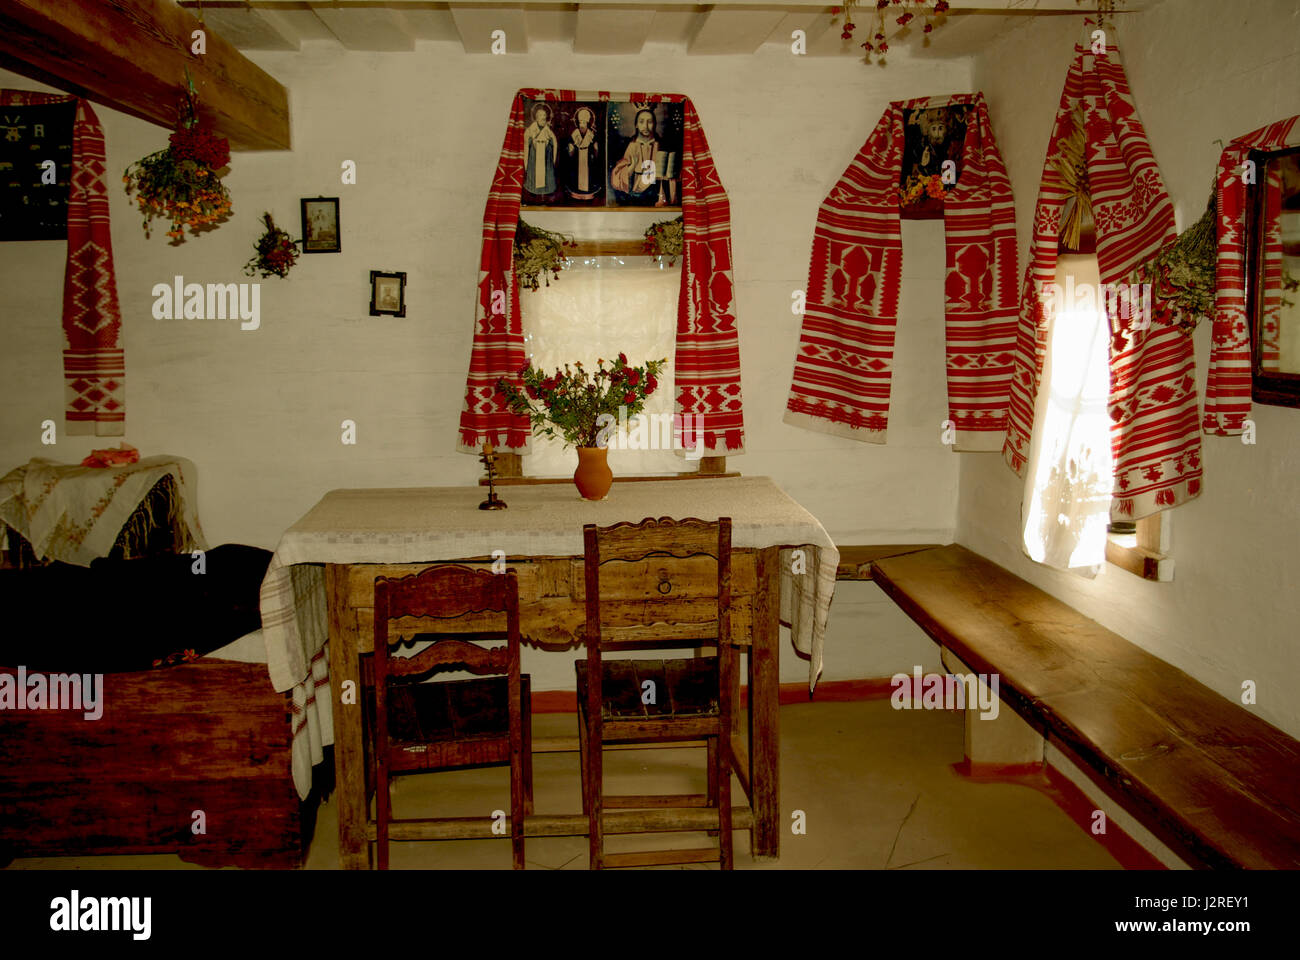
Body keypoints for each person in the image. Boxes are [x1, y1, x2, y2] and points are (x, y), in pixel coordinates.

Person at [611, 107, 660, 203]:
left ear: (654, 124)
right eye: (641, 122)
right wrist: (632, 166)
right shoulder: (631, 145)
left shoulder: (660, 145)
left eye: (649, 122)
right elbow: (619, 173)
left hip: (656, 191)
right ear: (636, 125)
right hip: (635, 193)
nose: (645, 126)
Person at [564, 106, 601, 200]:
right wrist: (571, 148)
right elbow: (570, 144)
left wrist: (595, 150)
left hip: (588, 157)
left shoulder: (591, 134)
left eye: (584, 122)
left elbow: (595, 146)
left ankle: (588, 192)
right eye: (580, 122)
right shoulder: (575, 133)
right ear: (578, 122)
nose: (582, 124)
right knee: (576, 175)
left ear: (588, 122)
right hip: (577, 157)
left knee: (590, 175)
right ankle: (576, 192)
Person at [523, 103, 558, 197]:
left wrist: (549, 143)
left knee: (546, 173)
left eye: (544, 116)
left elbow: (554, 142)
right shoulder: (531, 129)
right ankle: (533, 192)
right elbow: (526, 142)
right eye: (541, 116)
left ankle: (546, 192)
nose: (543, 118)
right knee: (534, 174)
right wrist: (532, 140)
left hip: (546, 157)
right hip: (534, 157)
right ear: (536, 117)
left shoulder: (548, 130)